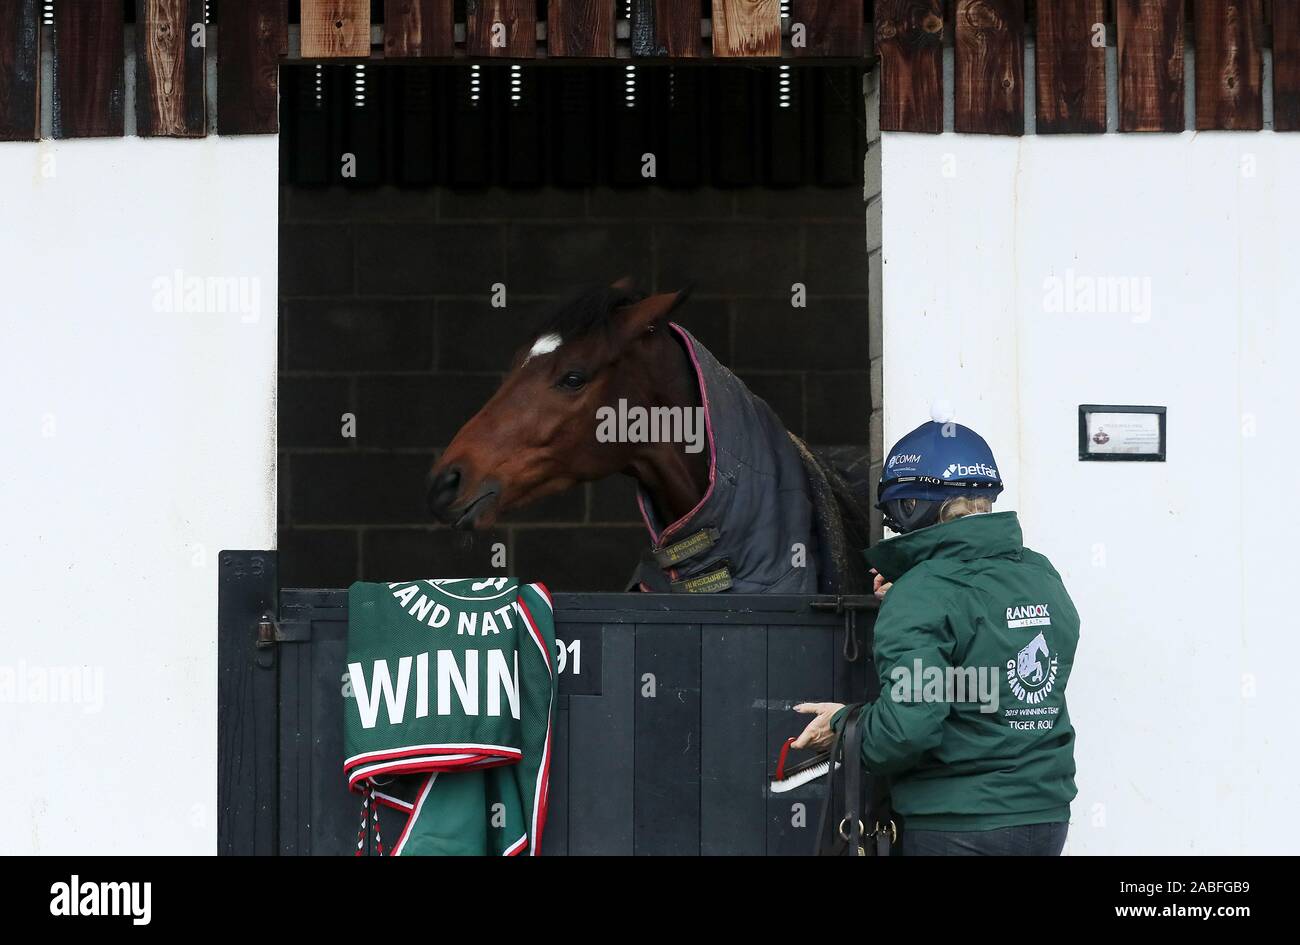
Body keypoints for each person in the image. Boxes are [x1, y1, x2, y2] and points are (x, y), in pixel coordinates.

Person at [793, 417, 1079, 856]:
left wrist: (844, 725)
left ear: (910, 506)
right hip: (1044, 820)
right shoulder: (1038, 573)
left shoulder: (924, 594)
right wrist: (914, 598)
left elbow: (906, 731)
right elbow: (989, 678)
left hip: (959, 826)